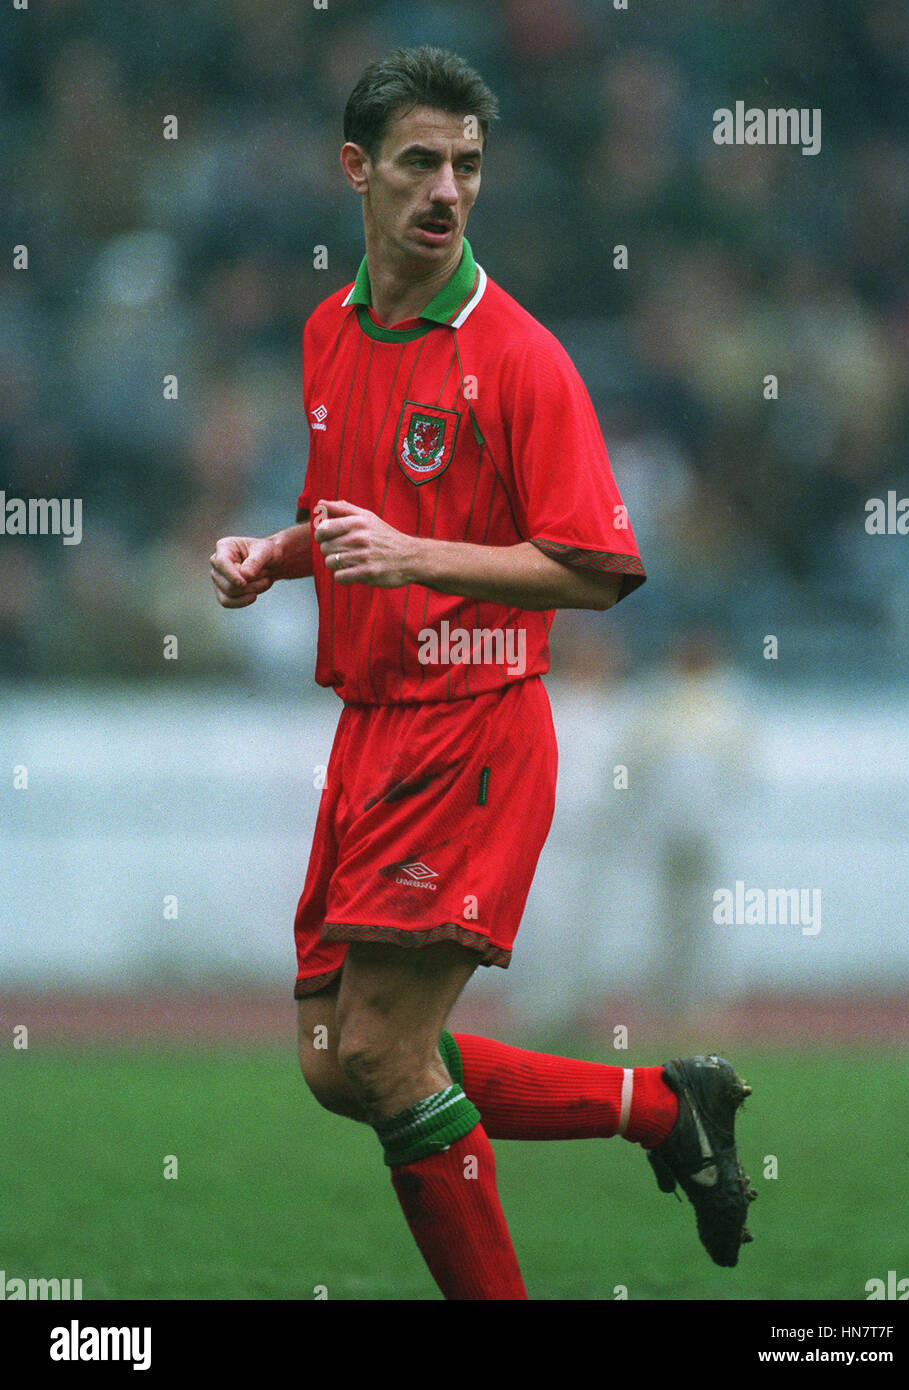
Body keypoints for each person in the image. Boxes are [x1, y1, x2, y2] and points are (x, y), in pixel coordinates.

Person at [210, 46, 755, 1300]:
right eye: (419, 161)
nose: (445, 187)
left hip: (474, 727)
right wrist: (275, 555)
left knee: (390, 1054)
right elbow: (354, 522)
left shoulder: (517, 356)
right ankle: (662, 1109)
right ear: (357, 170)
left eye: (465, 165)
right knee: (333, 1060)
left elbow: (600, 568)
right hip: (368, 727)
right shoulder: (325, 332)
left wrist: (414, 556)